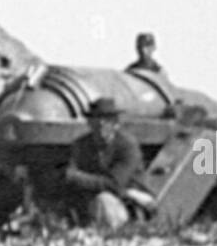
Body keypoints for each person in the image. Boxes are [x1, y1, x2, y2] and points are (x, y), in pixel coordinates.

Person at [61, 97, 156, 229]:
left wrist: (77, 177)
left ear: (116, 123)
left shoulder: (127, 145)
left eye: (107, 120)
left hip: (131, 200)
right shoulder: (81, 145)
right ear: (89, 122)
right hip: (97, 196)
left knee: (104, 200)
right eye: (96, 119)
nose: (101, 124)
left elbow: (114, 184)